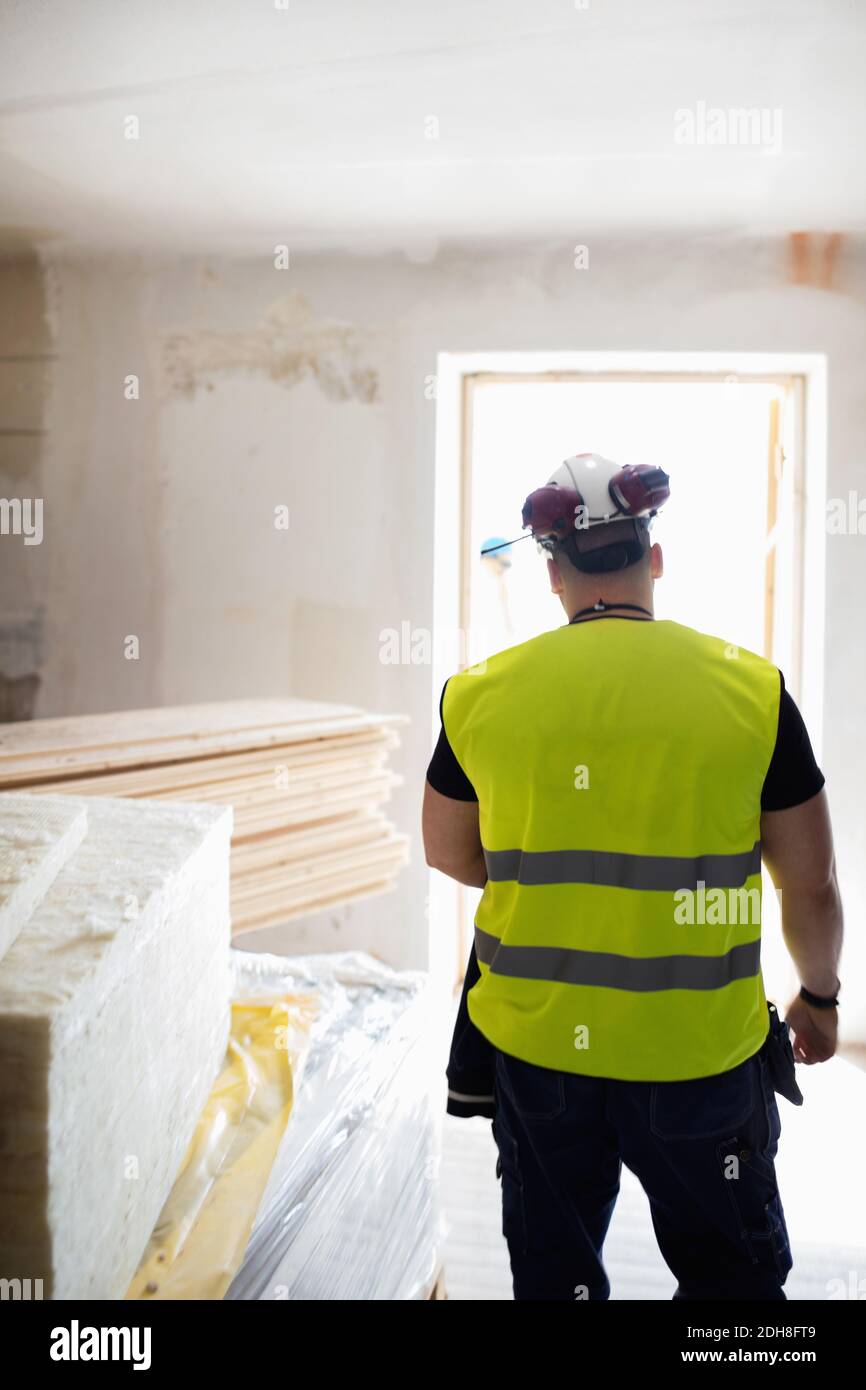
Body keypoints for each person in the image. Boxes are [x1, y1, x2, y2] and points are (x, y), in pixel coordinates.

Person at [422, 452, 843, 1302]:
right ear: (653, 557)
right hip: (699, 1054)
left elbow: (451, 854)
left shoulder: (479, 694)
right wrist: (820, 996)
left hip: (539, 1050)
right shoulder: (750, 691)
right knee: (737, 1288)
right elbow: (812, 881)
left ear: (552, 574)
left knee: (556, 1277)